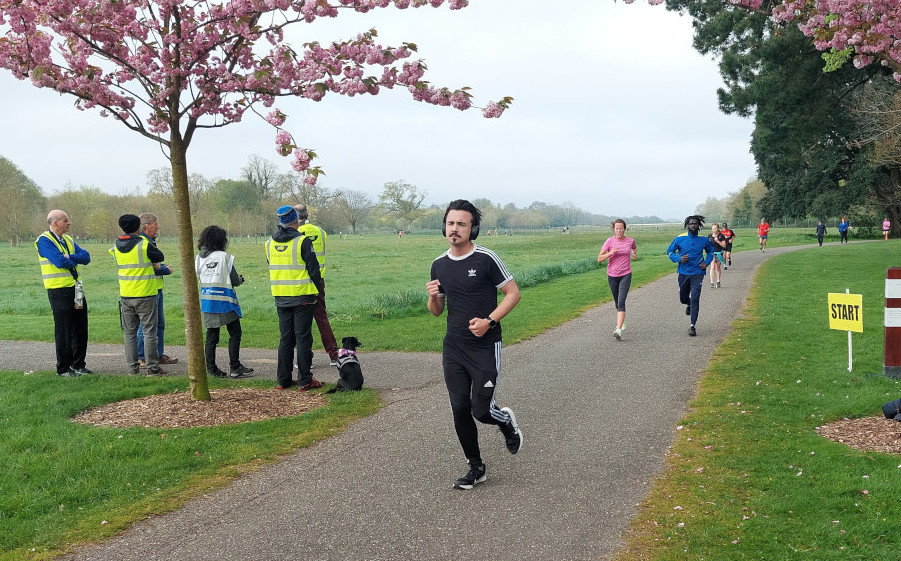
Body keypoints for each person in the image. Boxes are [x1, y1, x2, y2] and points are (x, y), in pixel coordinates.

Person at [426, 199, 523, 490]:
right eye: (450, 223)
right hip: (453, 348)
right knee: (459, 408)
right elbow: (437, 311)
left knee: (481, 411)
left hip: (484, 347)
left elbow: (513, 294)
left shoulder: (486, 259)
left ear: (473, 228)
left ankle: (504, 421)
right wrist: (433, 297)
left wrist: (489, 321)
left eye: (461, 224)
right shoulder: (439, 265)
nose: (454, 229)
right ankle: (476, 467)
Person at [266, 205, 323, 391]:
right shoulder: (302, 241)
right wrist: (318, 290)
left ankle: (283, 380)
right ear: (296, 220)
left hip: (281, 297)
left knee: (286, 339)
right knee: (303, 338)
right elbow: (314, 270)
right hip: (303, 296)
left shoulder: (269, 243)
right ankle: (305, 379)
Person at [35, 210, 92, 377]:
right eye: (66, 220)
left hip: (76, 288)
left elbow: (87, 257)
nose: (69, 223)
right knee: (64, 329)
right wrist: (72, 259)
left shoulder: (68, 239)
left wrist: (70, 256)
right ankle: (63, 368)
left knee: (81, 328)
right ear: (55, 223)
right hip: (59, 290)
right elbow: (59, 261)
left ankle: (78, 364)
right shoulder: (44, 241)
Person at [110, 214, 168, 376]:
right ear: (138, 227)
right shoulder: (143, 244)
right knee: (150, 332)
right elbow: (160, 257)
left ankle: (132, 369)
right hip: (145, 293)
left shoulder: (116, 246)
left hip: (126, 294)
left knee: (129, 334)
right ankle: (152, 368)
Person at [196, 225, 254, 379]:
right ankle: (235, 367)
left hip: (208, 301)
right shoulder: (224, 257)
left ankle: (211, 369)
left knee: (211, 336)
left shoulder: (198, 258)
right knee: (235, 333)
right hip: (225, 302)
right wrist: (240, 280)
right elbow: (234, 280)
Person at [294, 203, 339, 368]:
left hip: (301, 280)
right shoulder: (320, 231)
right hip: (319, 279)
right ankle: (334, 355)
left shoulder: (295, 233)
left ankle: (306, 358)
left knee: (302, 322)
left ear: (295, 217)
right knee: (322, 318)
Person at [136, 213, 178, 368]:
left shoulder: (149, 241)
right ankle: (141, 357)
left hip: (157, 288)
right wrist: (165, 269)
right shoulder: (142, 243)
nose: (158, 227)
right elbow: (152, 267)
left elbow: (155, 265)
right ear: (146, 226)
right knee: (146, 325)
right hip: (147, 290)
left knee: (160, 324)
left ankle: (158, 354)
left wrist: (161, 267)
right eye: (155, 223)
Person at [666, 215, 715, 337]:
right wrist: (679, 258)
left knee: (695, 298)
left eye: (695, 223)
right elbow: (670, 252)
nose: (693, 225)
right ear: (687, 225)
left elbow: (711, 252)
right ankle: (688, 303)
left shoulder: (703, 240)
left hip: (698, 273)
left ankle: (692, 325)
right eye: (691, 223)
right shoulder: (680, 239)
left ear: (699, 225)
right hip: (683, 273)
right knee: (683, 298)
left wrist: (707, 262)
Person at [597, 219, 637, 340]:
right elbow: (599, 259)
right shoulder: (609, 241)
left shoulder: (630, 241)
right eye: (616, 228)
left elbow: (634, 248)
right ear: (614, 229)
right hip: (612, 275)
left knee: (621, 301)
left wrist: (634, 254)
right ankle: (622, 321)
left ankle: (618, 329)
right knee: (616, 301)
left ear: (624, 229)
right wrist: (610, 253)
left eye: (621, 228)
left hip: (626, 274)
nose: (619, 230)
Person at [708, 223, 727, 288]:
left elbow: (724, 245)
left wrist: (718, 241)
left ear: (718, 228)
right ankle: (712, 282)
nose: (714, 230)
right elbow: (707, 245)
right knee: (712, 267)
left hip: (719, 253)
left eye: (715, 228)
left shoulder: (721, 236)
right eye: (713, 229)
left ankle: (718, 281)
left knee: (718, 267)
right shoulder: (710, 236)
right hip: (712, 253)